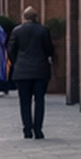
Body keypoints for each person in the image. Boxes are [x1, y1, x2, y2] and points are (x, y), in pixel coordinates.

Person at [6, 8, 58, 139]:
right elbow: (49, 49)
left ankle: (27, 129)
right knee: (39, 100)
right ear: (36, 17)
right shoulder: (43, 30)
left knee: (25, 101)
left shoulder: (16, 31)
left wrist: (17, 62)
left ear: (24, 17)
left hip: (22, 71)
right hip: (40, 70)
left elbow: (11, 50)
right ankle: (38, 130)